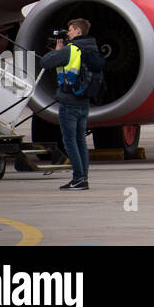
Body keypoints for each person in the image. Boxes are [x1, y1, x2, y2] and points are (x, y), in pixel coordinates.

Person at [38, 18, 106, 190]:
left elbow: (44, 62)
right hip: (84, 103)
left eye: (70, 30)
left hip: (69, 103)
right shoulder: (92, 49)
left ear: (78, 32)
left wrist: (57, 50)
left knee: (70, 141)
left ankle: (78, 178)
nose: (67, 33)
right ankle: (83, 178)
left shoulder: (71, 50)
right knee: (80, 142)